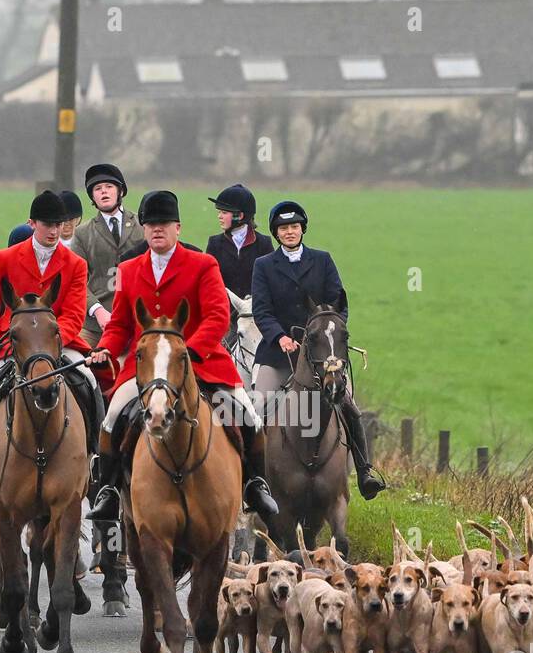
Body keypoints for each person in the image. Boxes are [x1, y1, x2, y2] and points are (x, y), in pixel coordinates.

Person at [85, 190, 277, 521]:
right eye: (151, 224)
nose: (157, 230)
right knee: (113, 416)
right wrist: (105, 349)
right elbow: (119, 325)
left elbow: (218, 317)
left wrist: (188, 352)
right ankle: (109, 489)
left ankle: (256, 485)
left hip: (202, 361)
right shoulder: (129, 270)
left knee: (249, 415)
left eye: (164, 224)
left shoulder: (203, 264)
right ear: (144, 230)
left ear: (178, 228)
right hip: (146, 368)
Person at [0, 190, 95, 492]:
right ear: (32, 224)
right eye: (47, 225)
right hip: (12, 343)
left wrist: (54, 342)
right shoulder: (6, 259)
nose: (54, 231)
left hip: (56, 343)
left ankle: (95, 459)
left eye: (58, 225)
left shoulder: (75, 264)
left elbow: (73, 313)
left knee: (89, 380)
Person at [251, 199, 385, 500]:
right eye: (284, 228)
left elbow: (338, 304)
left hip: (324, 357)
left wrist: (331, 337)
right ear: (276, 232)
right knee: (257, 406)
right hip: (280, 354)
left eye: (294, 227)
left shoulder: (323, 260)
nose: (289, 232)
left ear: (302, 230)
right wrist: (279, 337)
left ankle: (364, 471)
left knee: (349, 406)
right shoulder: (264, 266)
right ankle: (255, 481)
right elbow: (261, 310)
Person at [71, 163, 143, 350]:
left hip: (140, 321)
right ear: (92, 197)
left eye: (109, 187)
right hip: (95, 326)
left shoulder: (143, 226)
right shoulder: (82, 233)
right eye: (97, 188)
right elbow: (76, 281)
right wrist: (98, 310)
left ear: (120, 191)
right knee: (71, 362)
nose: (104, 192)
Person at [205, 183, 271, 343]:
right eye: (219, 212)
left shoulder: (264, 244)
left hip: (255, 317)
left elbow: (270, 283)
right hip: (225, 318)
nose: (219, 216)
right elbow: (210, 284)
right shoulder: (214, 244)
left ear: (239, 216)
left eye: (224, 212)